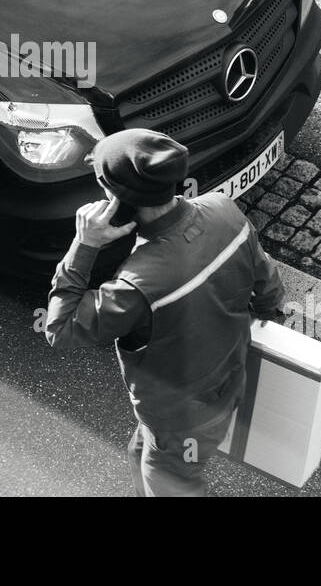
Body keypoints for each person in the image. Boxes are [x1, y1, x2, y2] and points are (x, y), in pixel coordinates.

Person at [45, 128, 287, 496]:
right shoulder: (224, 210)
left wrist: (84, 244)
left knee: (172, 476)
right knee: (141, 452)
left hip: (180, 423)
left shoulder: (136, 286)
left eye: (104, 189)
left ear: (119, 203)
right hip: (224, 387)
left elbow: (60, 330)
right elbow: (268, 286)